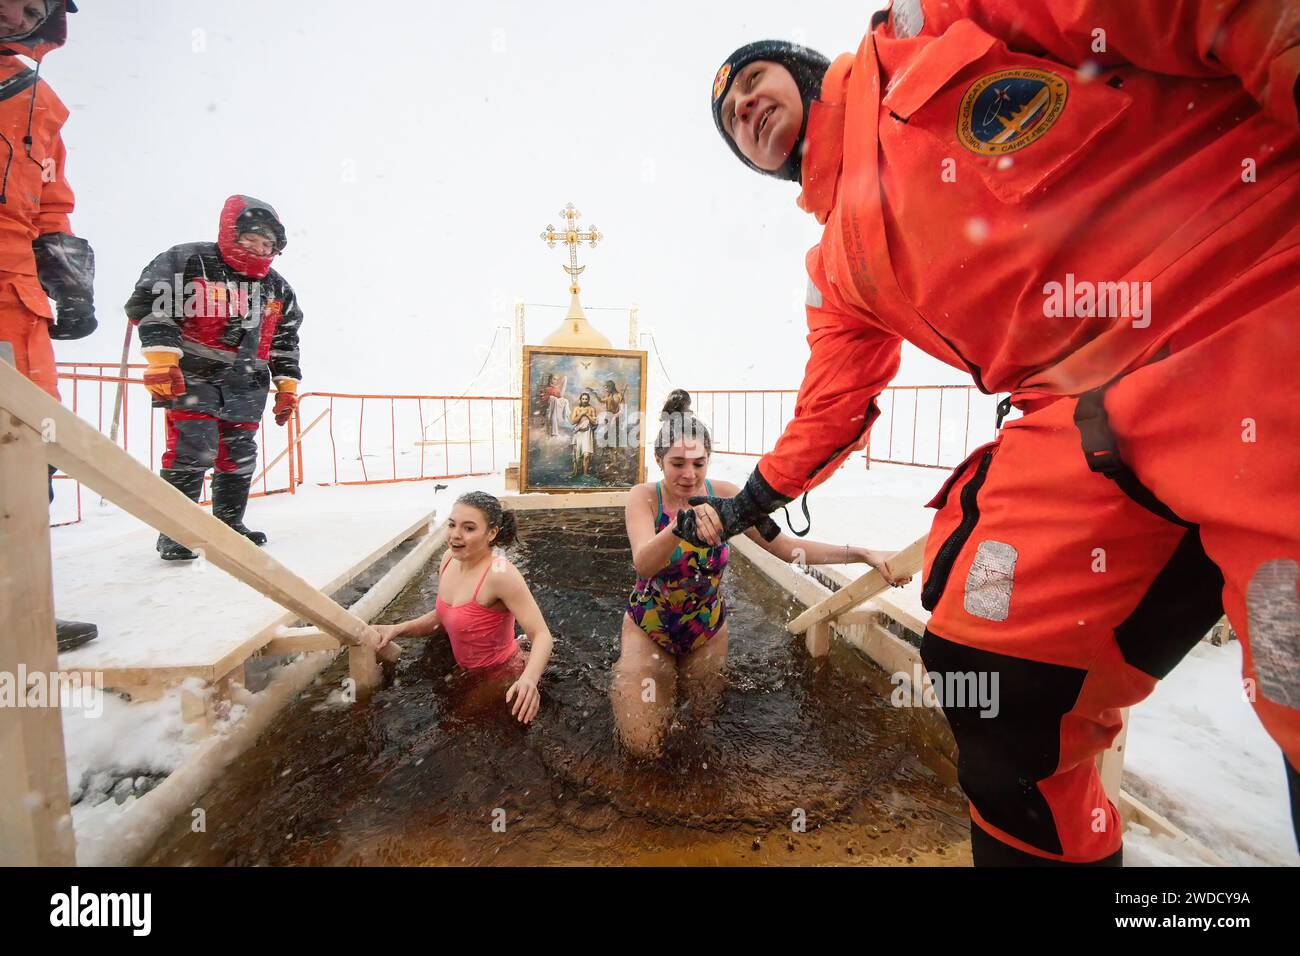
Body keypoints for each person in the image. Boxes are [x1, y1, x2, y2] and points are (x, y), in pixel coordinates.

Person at [692, 2, 1300, 865]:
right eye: (731, 120)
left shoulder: (922, 29)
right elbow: (830, 405)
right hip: (1078, 417)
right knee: (995, 675)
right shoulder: (836, 269)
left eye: (753, 82)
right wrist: (752, 499)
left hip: (1253, 288)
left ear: (804, 65)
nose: (745, 107)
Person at [614, 392, 910, 758]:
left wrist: (861, 554)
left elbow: (785, 549)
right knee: (642, 747)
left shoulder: (725, 500)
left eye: (698, 463)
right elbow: (644, 563)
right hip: (649, 628)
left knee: (698, 733)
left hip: (705, 632)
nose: (689, 475)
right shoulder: (643, 499)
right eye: (677, 463)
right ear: (659, 461)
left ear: (709, 460)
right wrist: (678, 527)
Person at [124, 195, 303, 560]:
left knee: (239, 455)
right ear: (231, 232)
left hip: (248, 386)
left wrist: (287, 386)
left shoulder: (278, 289)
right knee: (193, 449)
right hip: (194, 378)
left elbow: (286, 340)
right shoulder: (190, 261)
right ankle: (176, 533)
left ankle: (228, 524)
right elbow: (152, 307)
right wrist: (161, 359)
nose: (260, 248)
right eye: (252, 238)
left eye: (268, 244)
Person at [0, 0, 97, 651]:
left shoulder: (40, 100)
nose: (23, 16)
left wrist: (67, 274)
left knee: (28, 457)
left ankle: (22, 611)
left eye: (38, 10)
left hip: (19, 306)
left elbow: (52, 201)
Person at [373, 492, 553, 724]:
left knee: (456, 723)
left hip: (501, 672)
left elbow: (542, 635)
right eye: (451, 524)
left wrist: (529, 680)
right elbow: (444, 616)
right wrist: (398, 628)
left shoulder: (500, 574)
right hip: (466, 669)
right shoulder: (449, 559)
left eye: (469, 528)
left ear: (492, 533)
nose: (455, 535)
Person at [570, 391, 597, 475]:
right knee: (577, 457)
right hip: (578, 433)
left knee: (587, 455)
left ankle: (585, 473)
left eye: (586, 399)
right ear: (580, 399)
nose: (584, 400)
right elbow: (573, 421)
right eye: (583, 399)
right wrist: (581, 414)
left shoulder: (591, 409)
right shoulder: (576, 409)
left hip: (587, 433)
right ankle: (576, 472)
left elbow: (595, 422)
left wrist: (588, 415)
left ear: (588, 400)